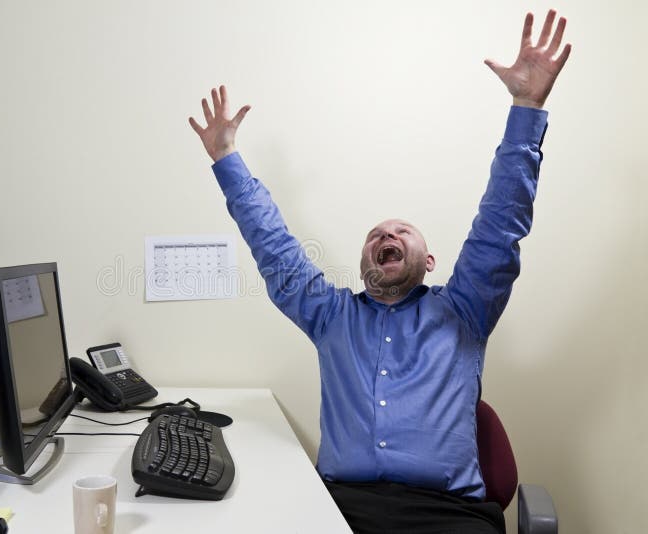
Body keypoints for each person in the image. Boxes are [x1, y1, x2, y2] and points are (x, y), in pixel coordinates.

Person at [189, 10, 570, 534]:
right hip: (340, 509)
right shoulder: (330, 316)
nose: (386, 237)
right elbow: (273, 245)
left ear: (429, 263)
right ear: (366, 261)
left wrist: (526, 107)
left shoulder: (465, 310)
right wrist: (226, 157)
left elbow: (501, 223)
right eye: (375, 235)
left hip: (449, 518)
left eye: (401, 232)